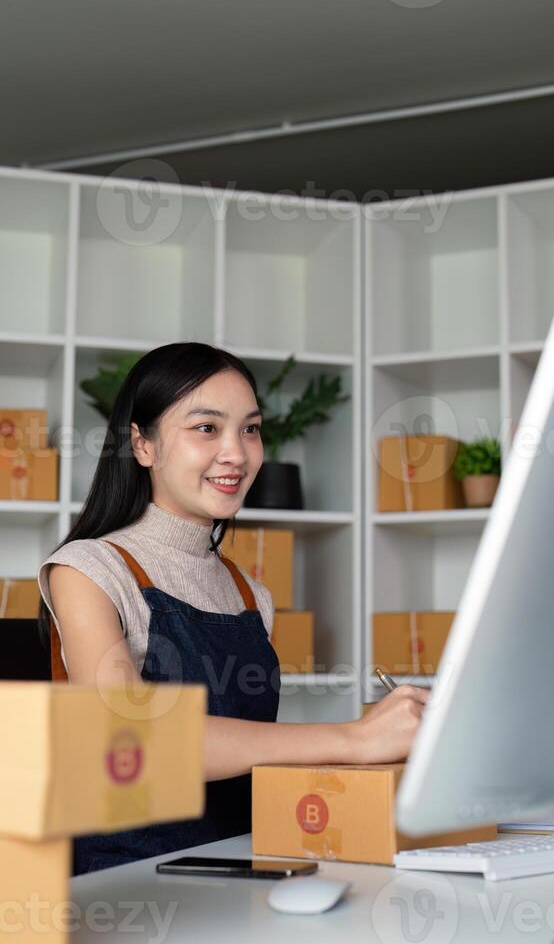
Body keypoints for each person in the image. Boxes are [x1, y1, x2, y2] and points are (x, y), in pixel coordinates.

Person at [37, 342, 429, 875]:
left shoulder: (249, 592)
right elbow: (130, 741)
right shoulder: (89, 570)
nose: (237, 454)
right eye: (206, 428)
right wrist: (355, 738)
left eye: (250, 428)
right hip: (133, 886)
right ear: (143, 445)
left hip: (246, 864)